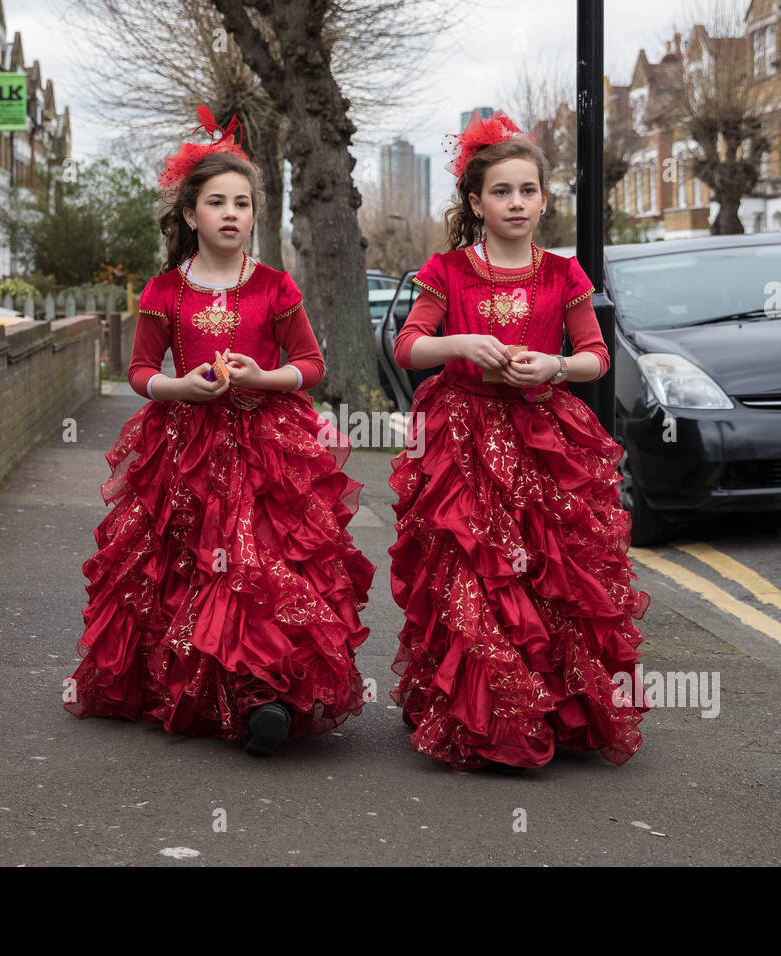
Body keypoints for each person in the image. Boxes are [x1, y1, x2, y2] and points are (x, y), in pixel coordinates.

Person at [64, 107, 374, 757]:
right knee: (189, 567)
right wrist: (180, 388)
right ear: (189, 216)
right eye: (216, 202)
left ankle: (264, 695)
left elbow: (312, 367)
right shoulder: (163, 292)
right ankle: (202, 690)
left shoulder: (275, 286)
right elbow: (141, 371)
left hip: (268, 448)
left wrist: (263, 376)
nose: (232, 213)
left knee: (259, 566)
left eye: (242, 203)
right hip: (183, 445)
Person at [387, 109, 650, 773]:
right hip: (464, 437)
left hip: (545, 435)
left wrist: (557, 367)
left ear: (543, 199)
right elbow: (410, 347)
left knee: (555, 572)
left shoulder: (563, 273)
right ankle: (488, 714)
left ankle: (557, 708)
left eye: (528, 190)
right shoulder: (447, 270)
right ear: (476, 202)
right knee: (477, 573)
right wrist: (461, 343)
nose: (516, 202)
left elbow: (595, 355)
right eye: (501, 191)